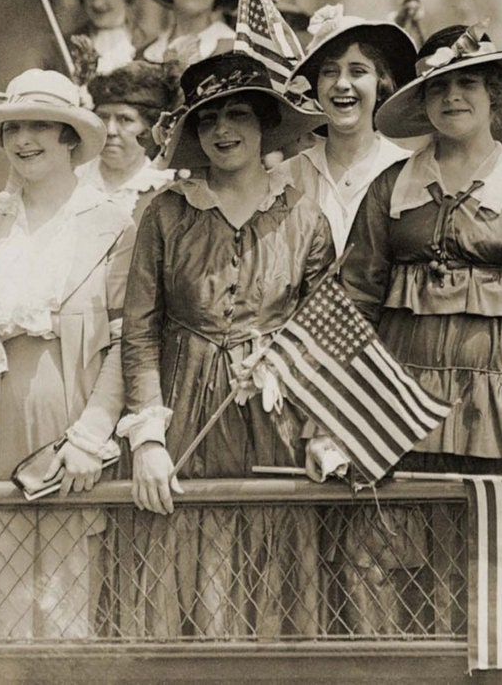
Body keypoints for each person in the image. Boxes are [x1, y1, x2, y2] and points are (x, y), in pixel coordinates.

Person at [117, 51, 332, 638]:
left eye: (236, 114)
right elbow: (139, 330)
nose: (222, 131)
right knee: (181, 559)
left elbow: (323, 334)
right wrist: (149, 439)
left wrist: (321, 430)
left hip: (275, 414)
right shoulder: (165, 214)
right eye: (206, 120)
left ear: (264, 124)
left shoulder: (305, 219)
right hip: (185, 410)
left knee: (274, 560)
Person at [340, 25, 502, 489]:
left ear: (495, 94)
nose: (452, 98)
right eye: (438, 86)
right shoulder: (390, 187)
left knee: (497, 551)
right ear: (422, 102)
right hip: (402, 401)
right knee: (398, 549)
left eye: (468, 83)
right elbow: (355, 302)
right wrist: (338, 414)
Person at [0, 69, 135, 640]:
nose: (25, 139)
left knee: (63, 607)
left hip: (65, 433)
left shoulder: (114, 226)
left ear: (70, 135)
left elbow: (127, 342)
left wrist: (91, 434)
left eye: (41, 126)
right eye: (13, 127)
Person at [282, 4, 418, 251]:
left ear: (381, 85)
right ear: (316, 88)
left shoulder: (410, 171)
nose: (342, 83)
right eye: (330, 72)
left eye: (358, 71)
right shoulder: (285, 178)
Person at [79, 61, 180, 217]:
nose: (110, 130)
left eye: (125, 119)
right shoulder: (72, 176)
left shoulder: (165, 192)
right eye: (103, 117)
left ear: (149, 128)